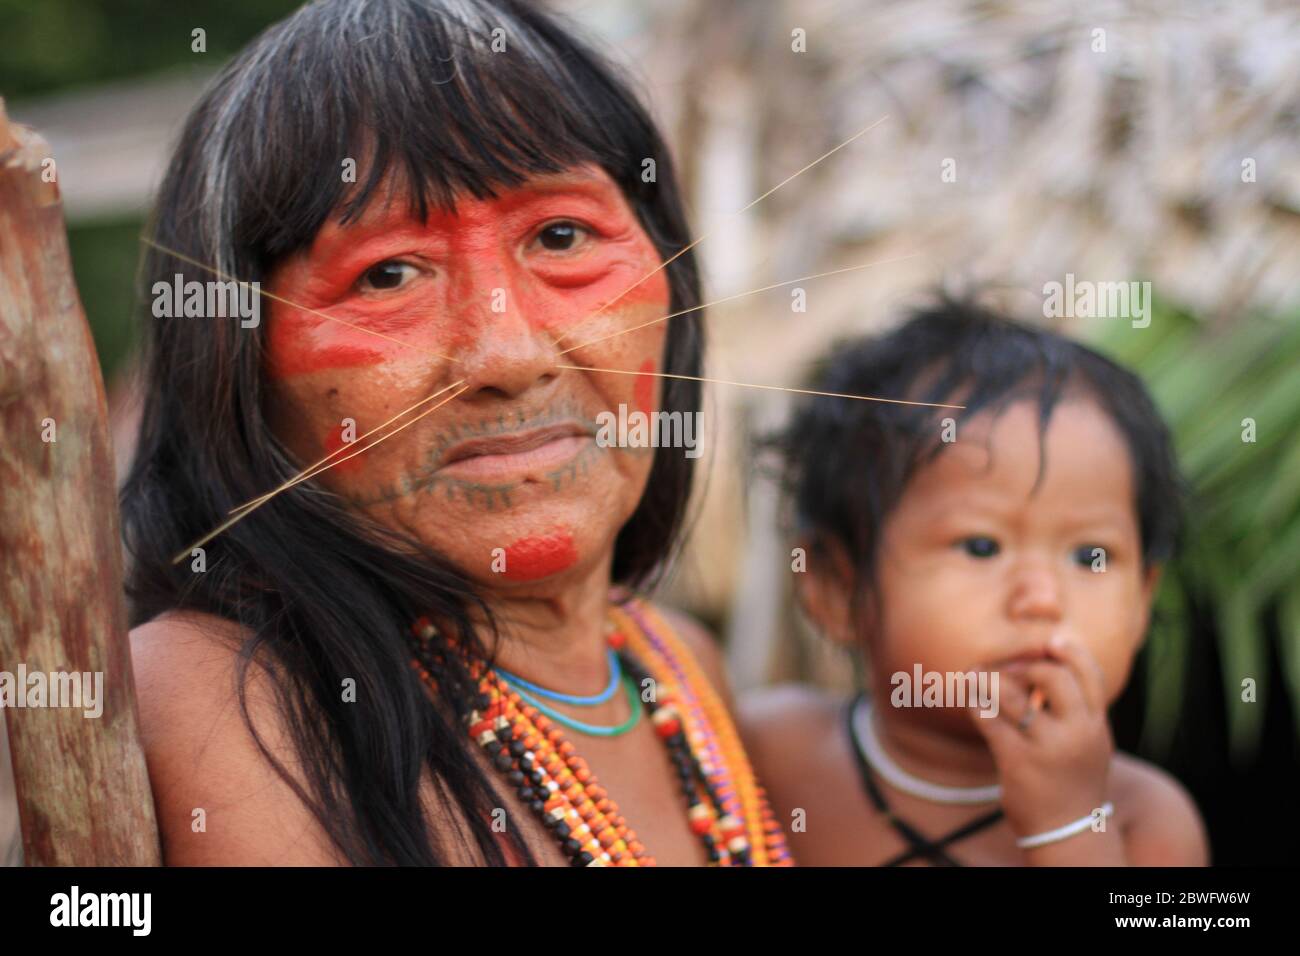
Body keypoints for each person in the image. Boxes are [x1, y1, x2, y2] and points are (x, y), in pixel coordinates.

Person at [122, 0, 789, 867]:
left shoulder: (681, 673)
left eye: (561, 235)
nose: (506, 354)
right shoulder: (211, 696)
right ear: (235, 368)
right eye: (388, 274)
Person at [740, 296, 1209, 865]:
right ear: (836, 588)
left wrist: (1068, 828)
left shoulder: (1145, 820)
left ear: (1143, 600)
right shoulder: (770, 754)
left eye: (1090, 556)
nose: (1042, 599)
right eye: (982, 547)